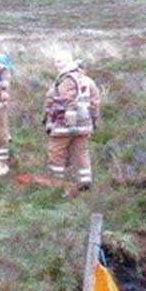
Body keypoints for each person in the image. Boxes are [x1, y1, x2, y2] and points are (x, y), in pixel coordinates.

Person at [43, 50, 101, 190]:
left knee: (56, 152)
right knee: (81, 153)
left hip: (63, 125)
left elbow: (51, 101)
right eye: (55, 61)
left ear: (68, 62)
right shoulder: (88, 81)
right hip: (84, 124)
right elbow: (95, 103)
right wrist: (94, 121)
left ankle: (56, 184)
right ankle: (85, 182)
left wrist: (47, 120)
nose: (56, 65)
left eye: (59, 61)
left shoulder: (64, 79)